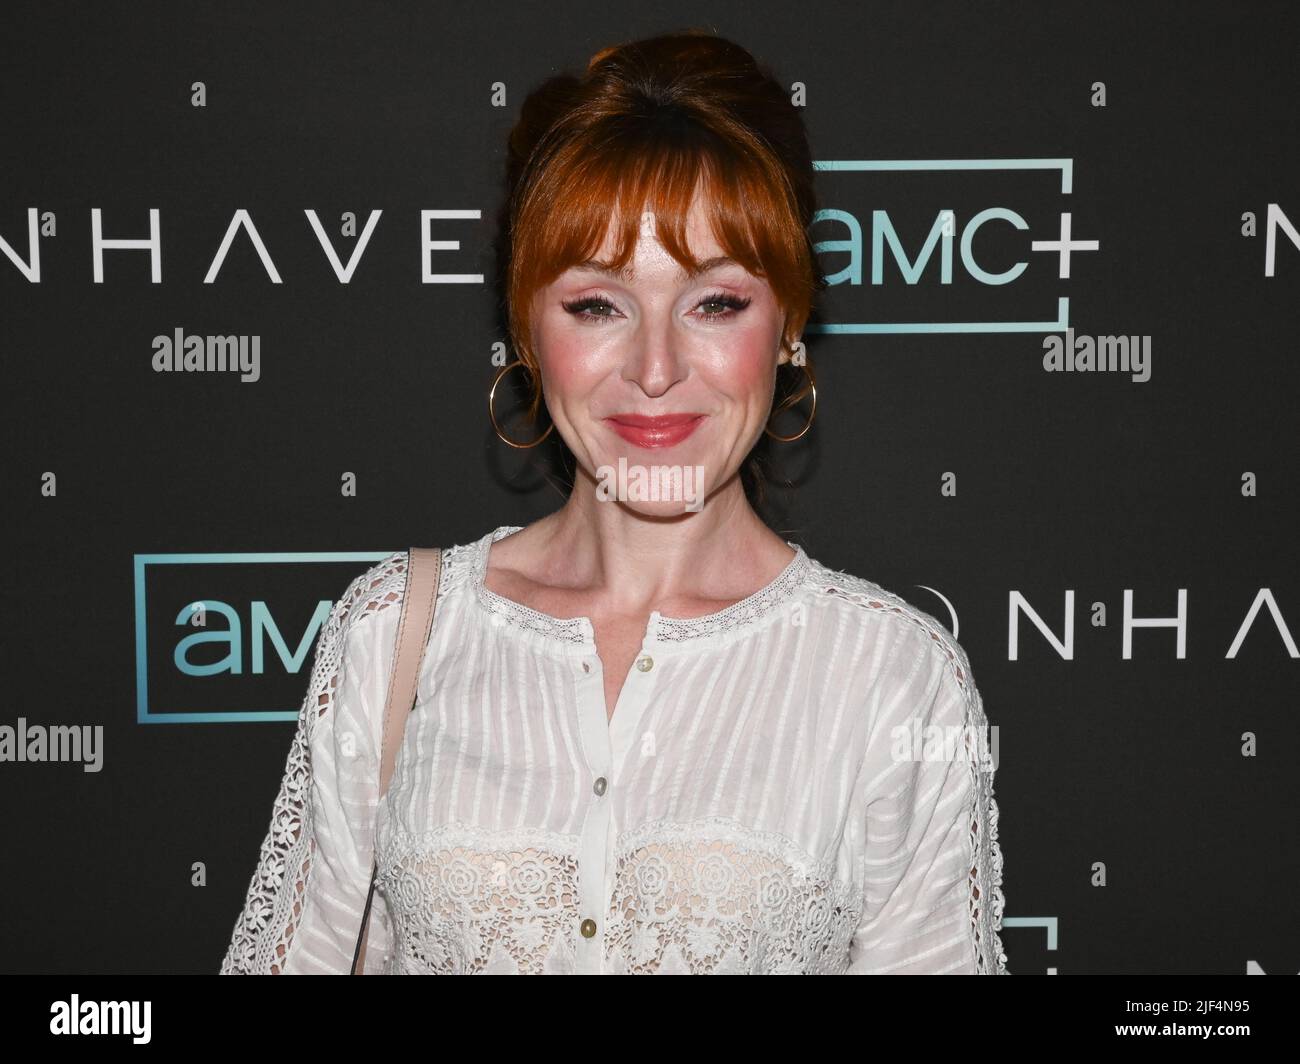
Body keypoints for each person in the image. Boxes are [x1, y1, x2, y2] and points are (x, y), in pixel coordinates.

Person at [219, 28, 1007, 975]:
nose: (656, 370)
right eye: (597, 304)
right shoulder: (393, 638)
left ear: (791, 320)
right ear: (525, 325)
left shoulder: (893, 678)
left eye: (716, 302)